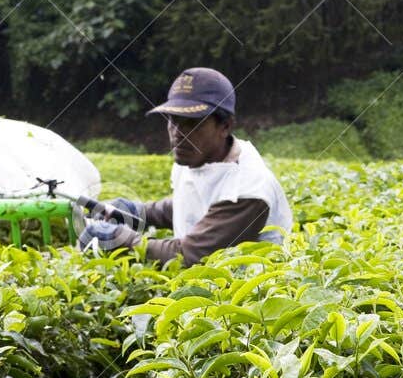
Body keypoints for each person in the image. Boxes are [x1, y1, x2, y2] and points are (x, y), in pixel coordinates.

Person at [80, 67, 292, 264]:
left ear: (225, 126)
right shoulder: (196, 156)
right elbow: (192, 202)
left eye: (192, 123)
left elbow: (190, 255)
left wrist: (121, 239)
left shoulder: (248, 189)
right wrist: (138, 211)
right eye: (173, 120)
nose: (178, 134)